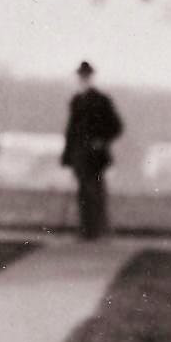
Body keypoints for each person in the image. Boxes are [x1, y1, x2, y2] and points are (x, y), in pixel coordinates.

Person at [61, 59, 124, 241]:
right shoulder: (76, 101)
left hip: (95, 156)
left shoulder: (101, 100)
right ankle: (86, 230)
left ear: (91, 77)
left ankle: (98, 231)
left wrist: (101, 141)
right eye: (81, 76)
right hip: (79, 155)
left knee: (95, 192)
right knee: (83, 192)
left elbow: (116, 126)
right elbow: (71, 131)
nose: (83, 79)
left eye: (86, 76)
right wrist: (67, 155)